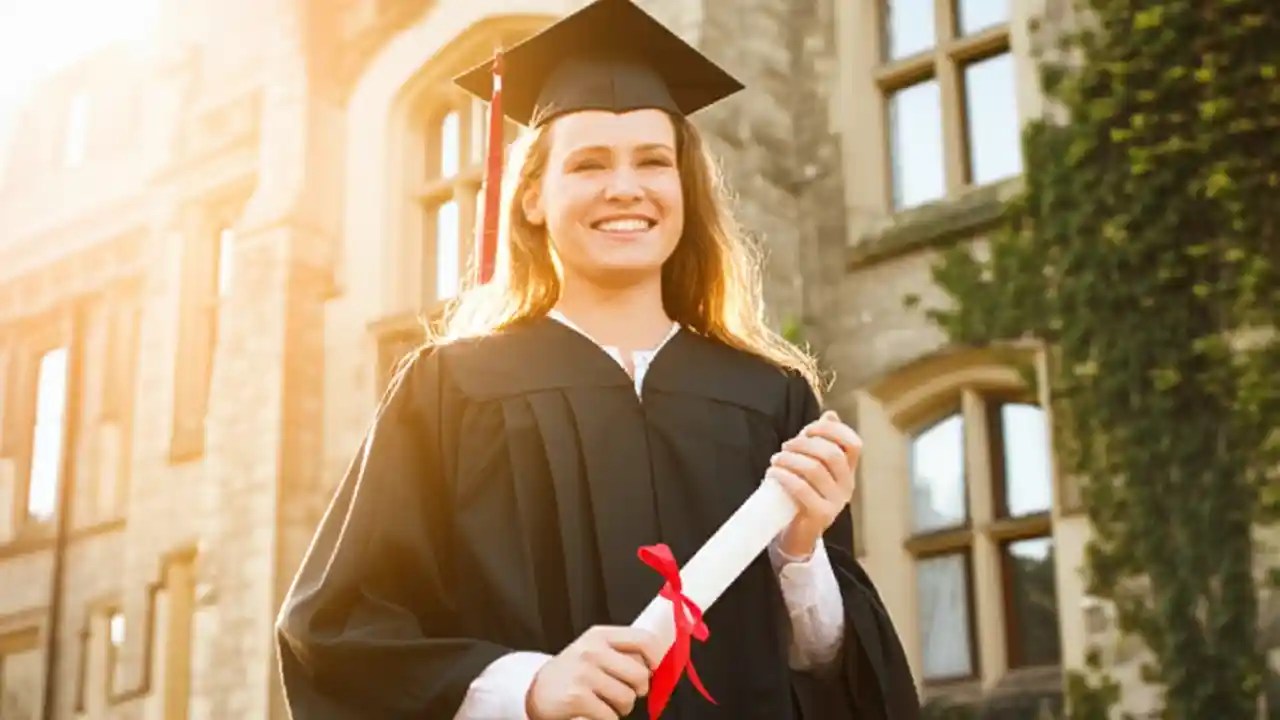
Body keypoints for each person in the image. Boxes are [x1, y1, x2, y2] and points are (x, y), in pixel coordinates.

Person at [275, 0, 919, 718]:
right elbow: (336, 633)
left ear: (684, 190)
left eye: (652, 161)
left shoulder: (770, 399)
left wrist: (799, 554)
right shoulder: (452, 390)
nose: (625, 188)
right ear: (531, 198)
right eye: (588, 164)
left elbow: (837, 676)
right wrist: (527, 686)